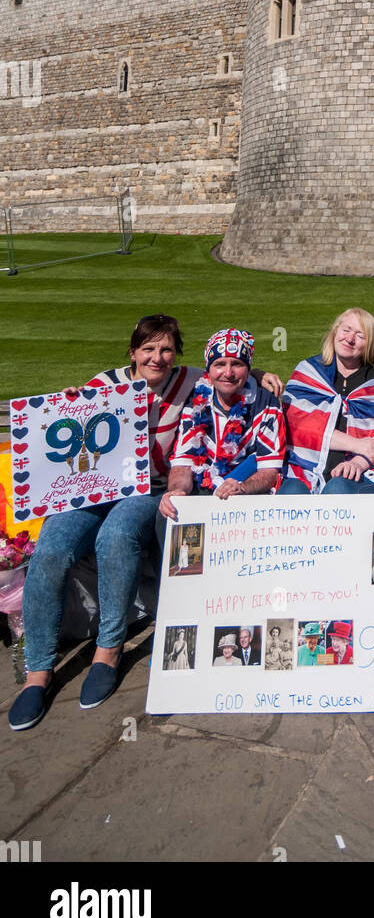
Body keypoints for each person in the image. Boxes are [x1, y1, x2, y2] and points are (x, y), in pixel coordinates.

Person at [9, 313, 285, 731]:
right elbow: (64, 419)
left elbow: (229, 368)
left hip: (147, 489)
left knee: (117, 537)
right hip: (92, 488)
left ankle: (108, 649)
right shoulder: (107, 385)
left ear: (177, 355)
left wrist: (263, 373)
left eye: (166, 349)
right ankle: (38, 671)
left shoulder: (188, 381)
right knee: (51, 549)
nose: (157, 357)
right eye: (148, 349)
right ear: (133, 351)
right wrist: (70, 403)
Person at [159, 328, 286, 525]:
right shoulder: (195, 401)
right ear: (208, 370)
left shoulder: (267, 404)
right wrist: (178, 491)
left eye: (237, 364)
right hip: (202, 488)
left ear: (248, 368)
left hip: (249, 498)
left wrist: (242, 488)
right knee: (169, 511)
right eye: (219, 364)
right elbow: (183, 464)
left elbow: (269, 471)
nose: (228, 373)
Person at [280, 309, 374, 494]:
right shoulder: (308, 372)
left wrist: (358, 462)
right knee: (291, 492)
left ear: (370, 344)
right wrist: (356, 445)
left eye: (360, 335)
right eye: (346, 330)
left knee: (338, 489)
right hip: (302, 471)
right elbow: (298, 426)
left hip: (363, 475)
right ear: (335, 331)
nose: (350, 339)